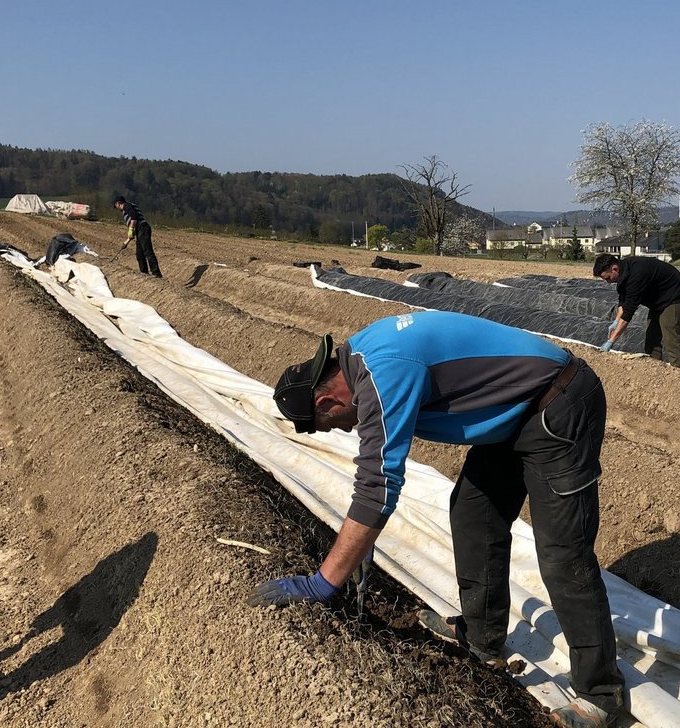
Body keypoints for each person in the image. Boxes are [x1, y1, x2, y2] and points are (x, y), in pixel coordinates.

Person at [252, 311, 624, 728]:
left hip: (557, 405)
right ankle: (482, 636)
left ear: (326, 402)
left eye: (328, 426)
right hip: (509, 412)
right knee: (472, 514)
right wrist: (361, 541)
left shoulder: (382, 376)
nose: (341, 429)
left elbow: (377, 488)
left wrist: (322, 582)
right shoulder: (361, 359)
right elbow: (377, 482)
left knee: (562, 554)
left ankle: (601, 694)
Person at [592, 253, 680, 368]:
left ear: (614, 269)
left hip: (673, 298)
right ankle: (656, 371)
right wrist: (616, 321)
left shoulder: (636, 274)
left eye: (608, 278)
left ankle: (679, 375)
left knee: (671, 339)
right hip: (657, 301)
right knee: (651, 341)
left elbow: (629, 311)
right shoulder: (623, 273)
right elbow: (623, 301)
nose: (608, 282)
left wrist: (611, 341)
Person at [113, 194, 162, 278]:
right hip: (139, 230)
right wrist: (128, 239)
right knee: (139, 254)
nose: (116, 208)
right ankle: (144, 273)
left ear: (118, 204)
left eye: (116, 206)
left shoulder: (127, 206)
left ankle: (156, 273)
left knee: (148, 252)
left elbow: (134, 217)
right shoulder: (129, 207)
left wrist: (131, 229)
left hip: (142, 228)